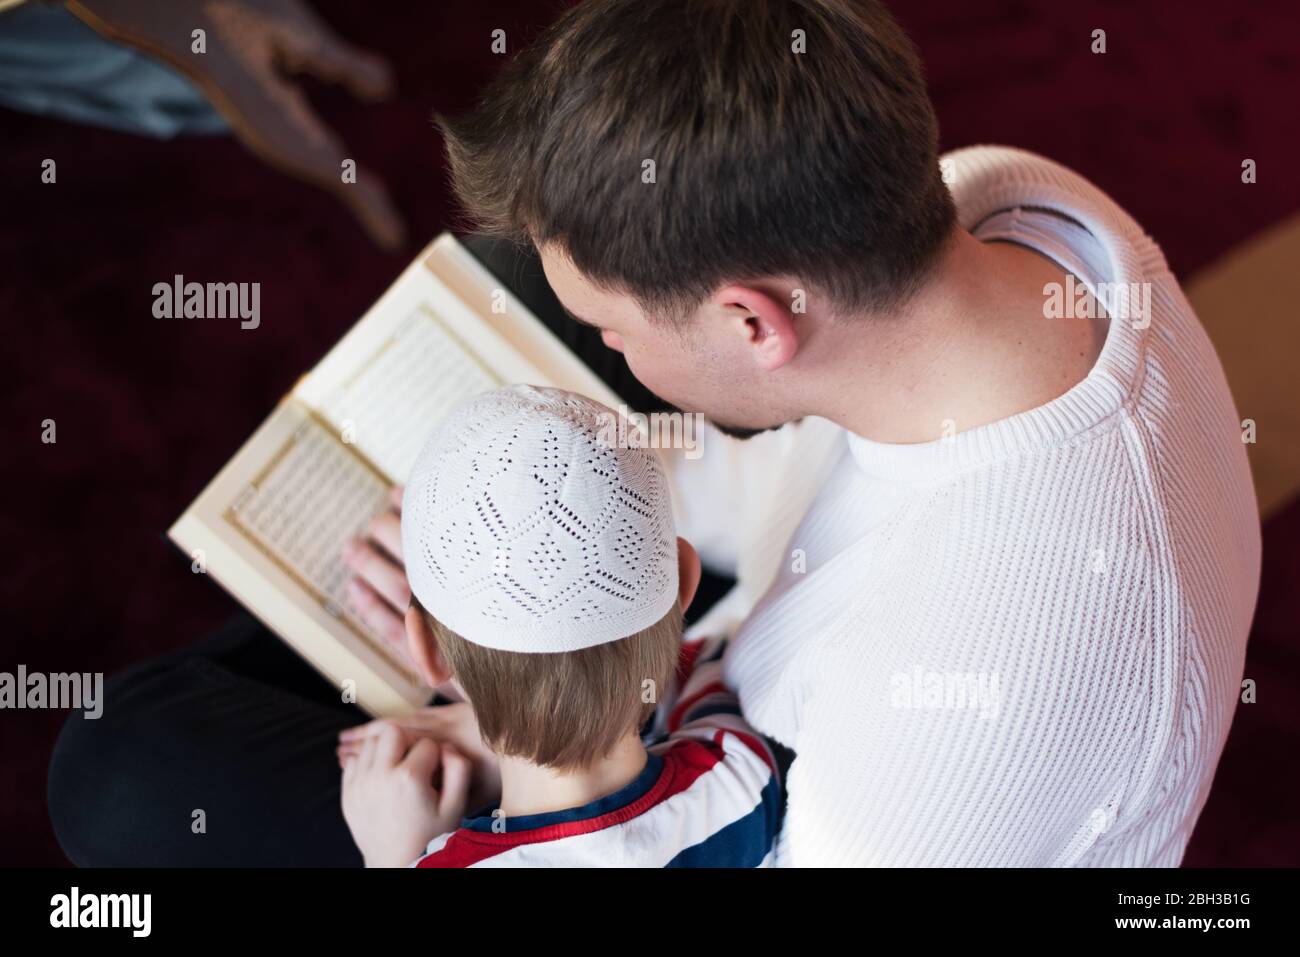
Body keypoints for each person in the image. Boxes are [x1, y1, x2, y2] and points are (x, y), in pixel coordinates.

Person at [51, 0, 1260, 867]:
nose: (612, 350)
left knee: (127, 772)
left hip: (706, 773)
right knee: (513, 280)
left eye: (621, 334)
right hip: (693, 671)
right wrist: (530, 586)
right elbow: (801, 456)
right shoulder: (1003, 202)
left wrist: (519, 764)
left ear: (752, 320)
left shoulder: (958, 739)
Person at [340, 385, 783, 867]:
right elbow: (704, 664)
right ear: (684, 582)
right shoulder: (742, 774)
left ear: (426, 650)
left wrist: (390, 855)